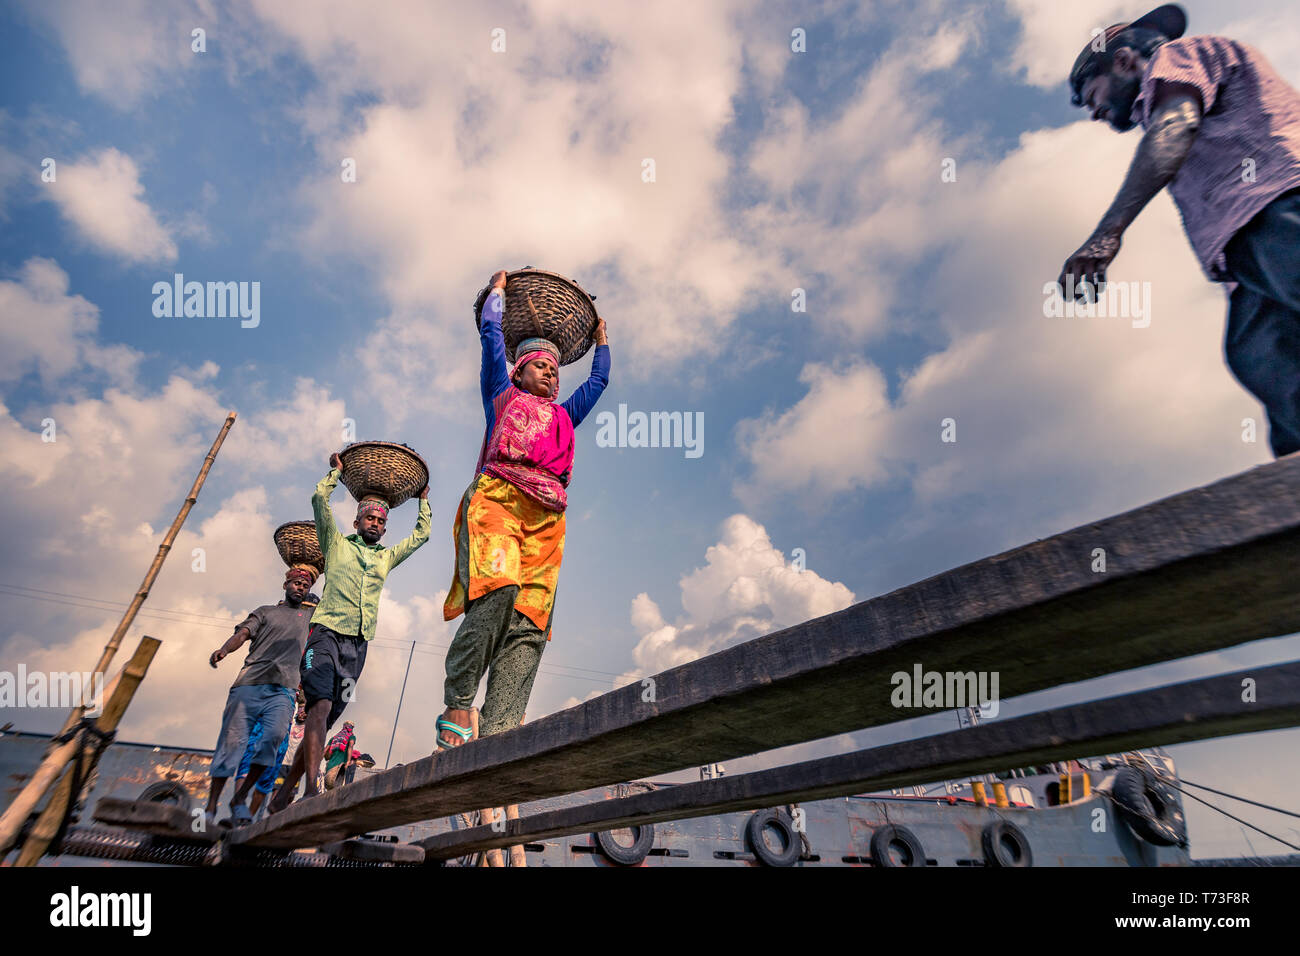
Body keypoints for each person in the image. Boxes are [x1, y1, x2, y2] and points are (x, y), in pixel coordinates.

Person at [1059, 4, 1300, 457]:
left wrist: (1108, 232)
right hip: (1246, 259)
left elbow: (1176, 125)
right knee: (1262, 358)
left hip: (1280, 203)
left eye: (1092, 94)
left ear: (1126, 61)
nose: (1093, 112)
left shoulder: (1180, 59)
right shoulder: (1161, 107)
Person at [437, 269, 611, 748]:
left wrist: (602, 341)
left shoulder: (565, 417)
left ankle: (499, 735)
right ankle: (458, 704)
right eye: (541, 366)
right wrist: (496, 294)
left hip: (547, 518)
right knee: (498, 589)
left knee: (530, 620)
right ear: (519, 370)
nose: (551, 373)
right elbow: (491, 337)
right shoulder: (502, 393)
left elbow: (599, 381)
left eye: (555, 369)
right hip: (498, 499)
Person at [266, 455, 430, 813]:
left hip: (357, 647)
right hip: (324, 635)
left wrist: (424, 502)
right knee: (319, 706)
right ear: (357, 521)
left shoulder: (385, 557)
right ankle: (312, 791)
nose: (375, 523)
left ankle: (284, 793)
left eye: (380, 520)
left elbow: (422, 536)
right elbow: (318, 502)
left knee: (322, 722)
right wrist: (336, 473)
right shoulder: (336, 544)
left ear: (385, 528)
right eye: (369, 518)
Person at [206, 567, 317, 827]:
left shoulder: (309, 617)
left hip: (284, 691)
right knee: (231, 746)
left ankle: (239, 800)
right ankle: (211, 807)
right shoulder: (265, 611)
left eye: (305, 585)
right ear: (285, 585)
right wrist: (224, 649)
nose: (300, 587)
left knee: (273, 739)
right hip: (249, 686)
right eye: (296, 583)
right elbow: (242, 634)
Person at [322, 721, 356, 790]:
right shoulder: (351, 737)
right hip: (340, 767)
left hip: (330, 766)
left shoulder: (334, 738)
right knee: (337, 788)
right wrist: (348, 761)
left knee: (329, 788)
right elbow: (350, 747)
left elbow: (325, 750)